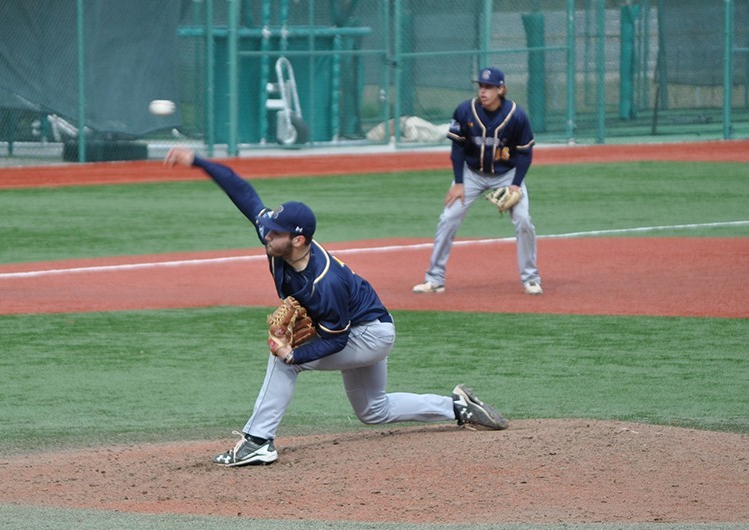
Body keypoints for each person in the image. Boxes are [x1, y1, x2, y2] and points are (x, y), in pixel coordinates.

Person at [164, 147, 508, 467]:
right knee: (374, 410)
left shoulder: (324, 283)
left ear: (298, 240)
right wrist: (198, 161)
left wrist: (293, 355)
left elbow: (338, 340)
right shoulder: (279, 239)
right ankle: (458, 407)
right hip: (363, 326)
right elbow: (241, 190)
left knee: (283, 362)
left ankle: (258, 442)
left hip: (370, 335)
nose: (265, 236)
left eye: (274, 234)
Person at [413, 66, 543, 295]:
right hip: (471, 174)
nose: (483, 91)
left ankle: (531, 278)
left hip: (507, 175)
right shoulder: (465, 110)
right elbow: (457, 148)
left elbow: (525, 154)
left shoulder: (517, 116)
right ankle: (434, 279)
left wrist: (515, 184)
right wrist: (459, 182)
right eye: (481, 86)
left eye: (489, 87)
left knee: (523, 220)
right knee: (448, 218)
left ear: (501, 89)